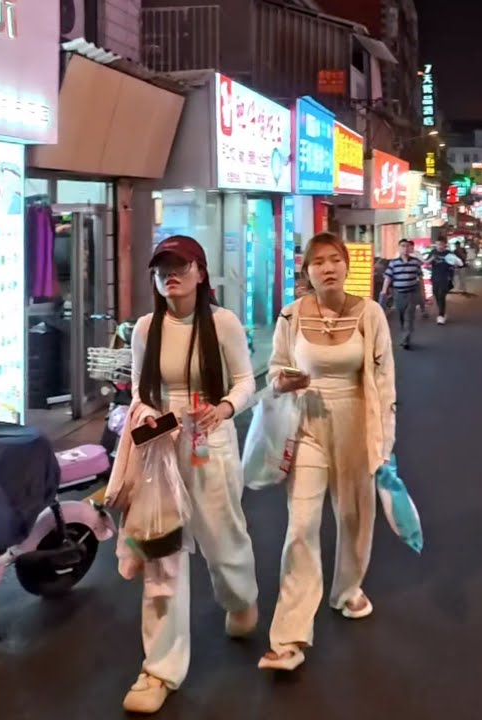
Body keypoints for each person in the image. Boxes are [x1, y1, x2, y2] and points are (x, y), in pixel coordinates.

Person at [115, 235, 259, 715]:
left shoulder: (223, 324)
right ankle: (159, 668)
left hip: (210, 442)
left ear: (201, 272)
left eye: (180, 265)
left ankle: (240, 598)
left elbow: (245, 381)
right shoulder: (144, 329)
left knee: (224, 537)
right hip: (161, 448)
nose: (169, 274)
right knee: (163, 553)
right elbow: (139, 386)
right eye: (161, 268)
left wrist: (225, 407)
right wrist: (148, 416)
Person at [258, 232, 397, 673]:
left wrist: (384, 442)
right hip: (307, 423)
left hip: (357, 421)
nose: (328, 268)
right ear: (307, 272)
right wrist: (283, 382)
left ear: (347, 266)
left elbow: (384, 380)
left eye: (335, 259)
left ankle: (347, 588)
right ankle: (289, 634)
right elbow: (275, 370)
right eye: (318, 262)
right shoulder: (291, 315)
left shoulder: (370, 313)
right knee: (301, 524)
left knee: (355, 515)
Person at [381, 239, 425, 349]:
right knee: (400, 316)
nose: (405, 248)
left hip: (412, 294)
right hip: (398, 294)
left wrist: (422, 292)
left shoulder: (415, 262)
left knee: (409, 318)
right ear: (399, 248)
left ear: (410, 248)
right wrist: (383, 291)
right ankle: (404, 334)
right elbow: (388, 278)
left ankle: (406, 339)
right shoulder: (394, 263)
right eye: (403, 246)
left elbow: (420, 278)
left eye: (407, 246)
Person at [429, 238, 463, 325]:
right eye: (437, 244)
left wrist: (455, 264)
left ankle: (441, 315)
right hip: (435, 277)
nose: (439, 246)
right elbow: (427, 262)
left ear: (445, 245)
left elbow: (459, 263)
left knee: (441, 295)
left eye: (441, 244)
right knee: (436, 295)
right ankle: (442, 312)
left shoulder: (449, 253)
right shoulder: (433, 252)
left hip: (445, 278)